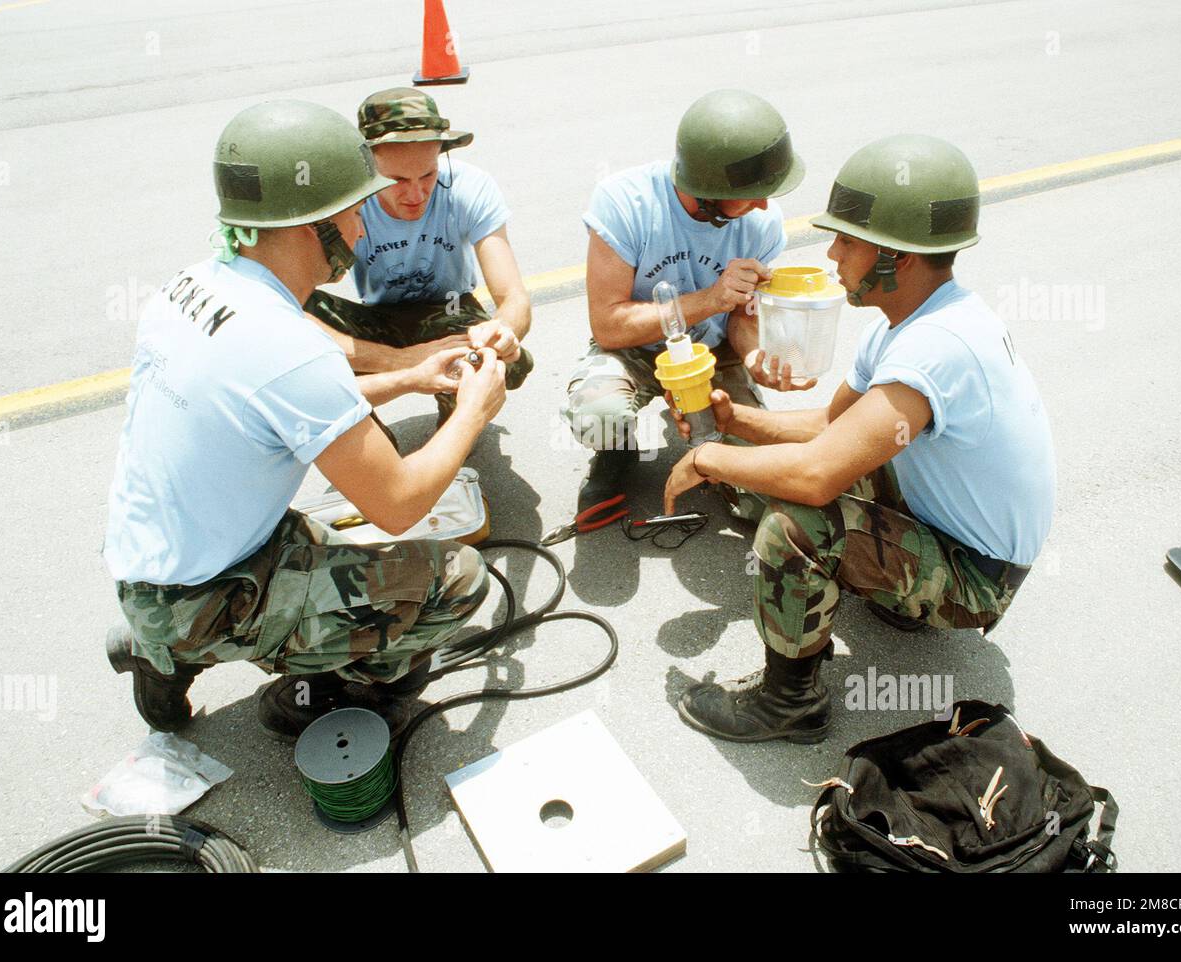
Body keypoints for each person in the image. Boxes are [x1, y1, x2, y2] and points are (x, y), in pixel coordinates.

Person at [103, 100, 508, 740]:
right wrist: (472, 410)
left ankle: (158, 646)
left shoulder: (191, 284)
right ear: (308, 226)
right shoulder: (292, 350)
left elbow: (282, 406)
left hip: (157, 559)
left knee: (330, 548)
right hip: (205, 591)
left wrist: (408, 378)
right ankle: (312, 697)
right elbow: (399, 503)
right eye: (352, 213)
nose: (362, 231)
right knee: (455, 580)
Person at [663, 135, 1055, 743]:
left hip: (979, 576)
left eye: (847, 240)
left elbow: (815, 474)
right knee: (774, 465)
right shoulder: (917, 320)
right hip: (948, 524)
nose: (831, 254)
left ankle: (789, 704)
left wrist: (708, 458)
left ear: (896, 257)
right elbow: (831, 427)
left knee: (795, 522)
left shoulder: (936, 348)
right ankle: (900, 594)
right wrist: (736, 424)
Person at [560, 89, 808, 528]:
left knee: (761, 499)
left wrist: (752, 355)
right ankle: (616, 451)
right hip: (635, 347)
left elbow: (741, 317)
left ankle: (712, 451)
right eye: (751, 193)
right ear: (707, 189)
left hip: (711, 354)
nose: (765, 204)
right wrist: (711, 297)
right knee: (598, 416)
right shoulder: (624, 202)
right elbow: (609, 327)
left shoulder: (762, 223)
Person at [306, 88, 532, 427]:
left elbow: (513, 296)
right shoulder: (346, 200)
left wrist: (503, 332)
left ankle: (454, 412)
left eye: (427, 175)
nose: (416, 194)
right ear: (367, 166)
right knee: (302, 332)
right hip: (377, 316)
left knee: (501, 362)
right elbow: (288, 307)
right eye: (396, 180)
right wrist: (400, 361)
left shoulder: (470, 187)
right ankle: (359, 427)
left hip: (450, 309)